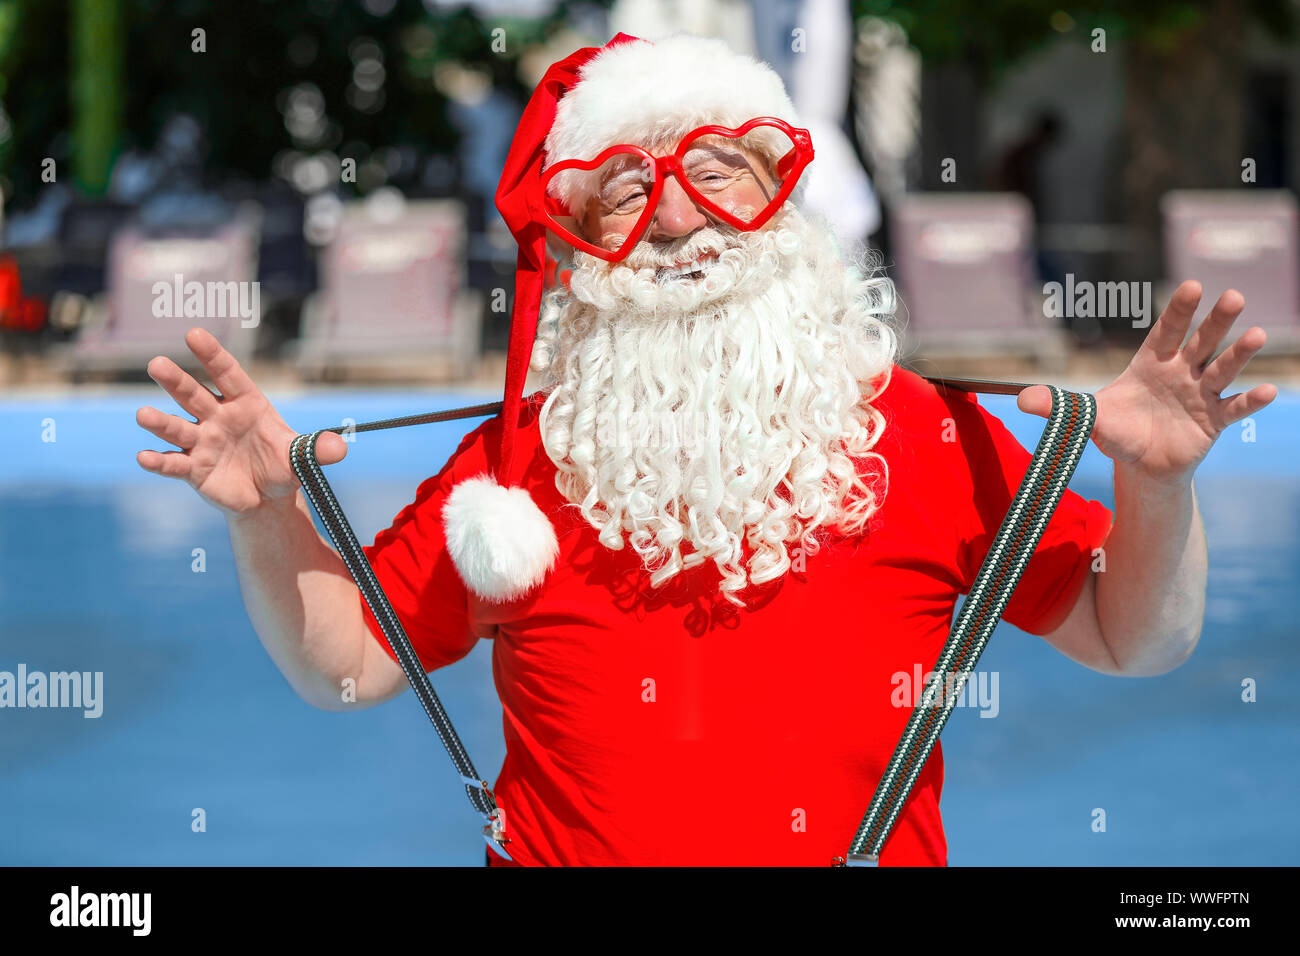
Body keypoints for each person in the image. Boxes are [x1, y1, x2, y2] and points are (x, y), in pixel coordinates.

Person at [135, 33, 1276, 866]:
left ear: (784, 198)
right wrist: (260, 517)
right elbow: (348, 669)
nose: (674, 218)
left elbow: (1136, 639)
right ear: (578, 249)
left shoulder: (928, 436)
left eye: (713, 172)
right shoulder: (514, 469)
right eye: (626, 190)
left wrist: (1154, 484)